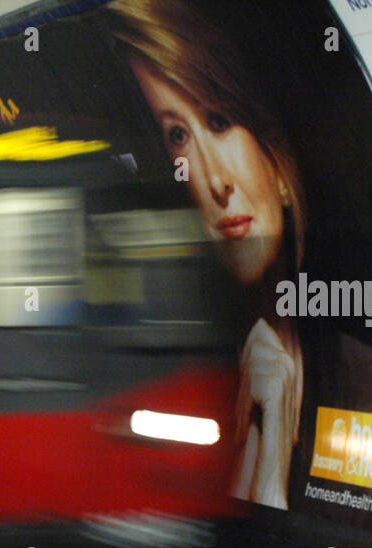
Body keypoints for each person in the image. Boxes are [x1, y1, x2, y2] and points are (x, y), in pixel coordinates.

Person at [104, 0, 305, 509]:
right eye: (178, 137)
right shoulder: (172, 375)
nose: (215, 179)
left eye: (218, 120)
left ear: (278, 164)